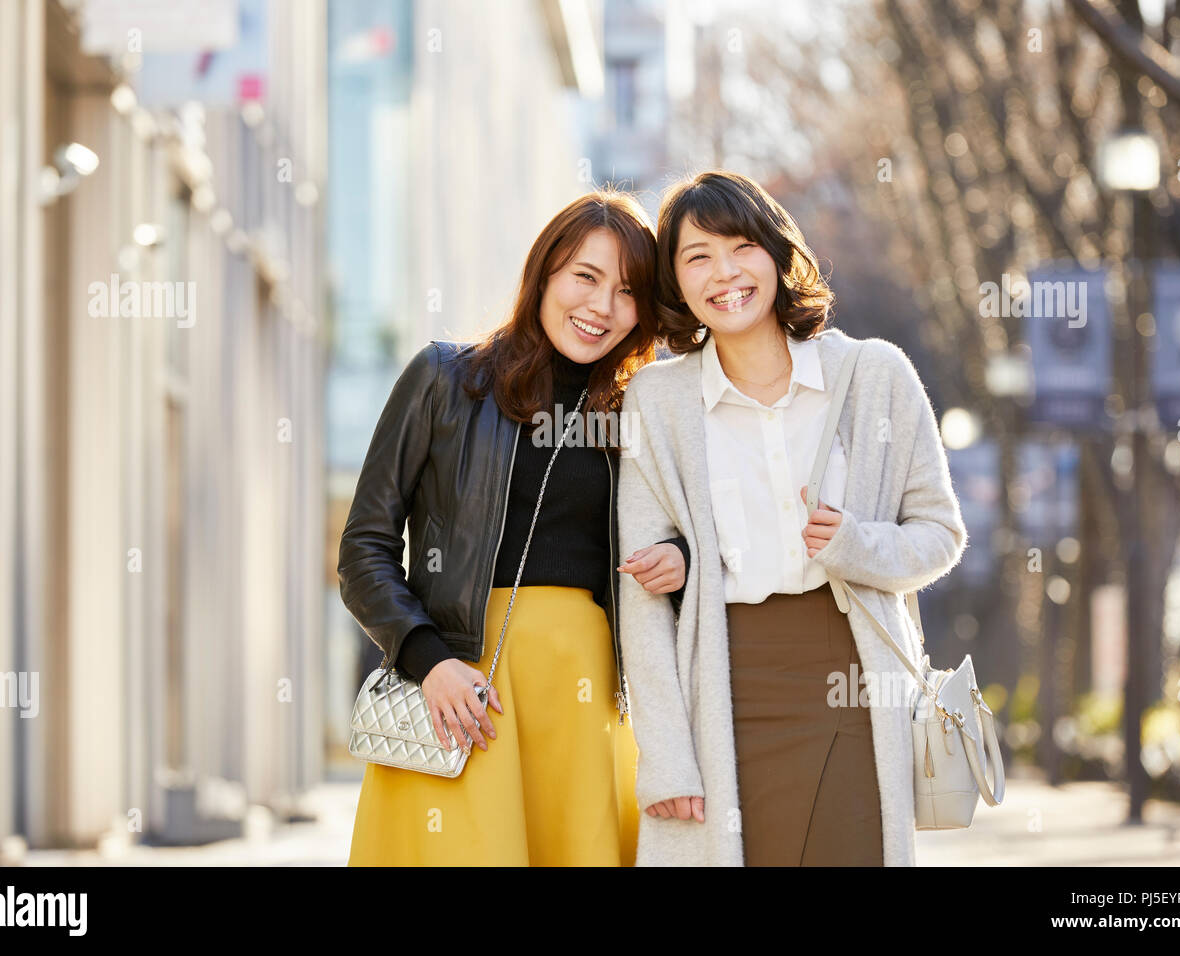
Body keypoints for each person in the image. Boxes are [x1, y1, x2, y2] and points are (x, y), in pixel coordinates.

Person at [616, 170, 968, 866]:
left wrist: (856, 544)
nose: (724, 273)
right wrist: (665, 756)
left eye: (741, 246)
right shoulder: (657, 403)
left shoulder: (874, 376)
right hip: (722, 693)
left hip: (853, 687)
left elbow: (940, 533)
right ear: (676, 284)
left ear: (777, 254)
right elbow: (642, 599)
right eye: (697, 257)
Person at [339, 189, 690, 866]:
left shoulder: (642, 415)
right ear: (544, 274)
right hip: (458, 690)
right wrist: (428, 660)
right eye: (585, 277)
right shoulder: (444, 379)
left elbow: (686, 533)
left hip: (585, 696)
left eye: (627, 291)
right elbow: (364, 549)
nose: (601, 306)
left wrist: (680, 557)